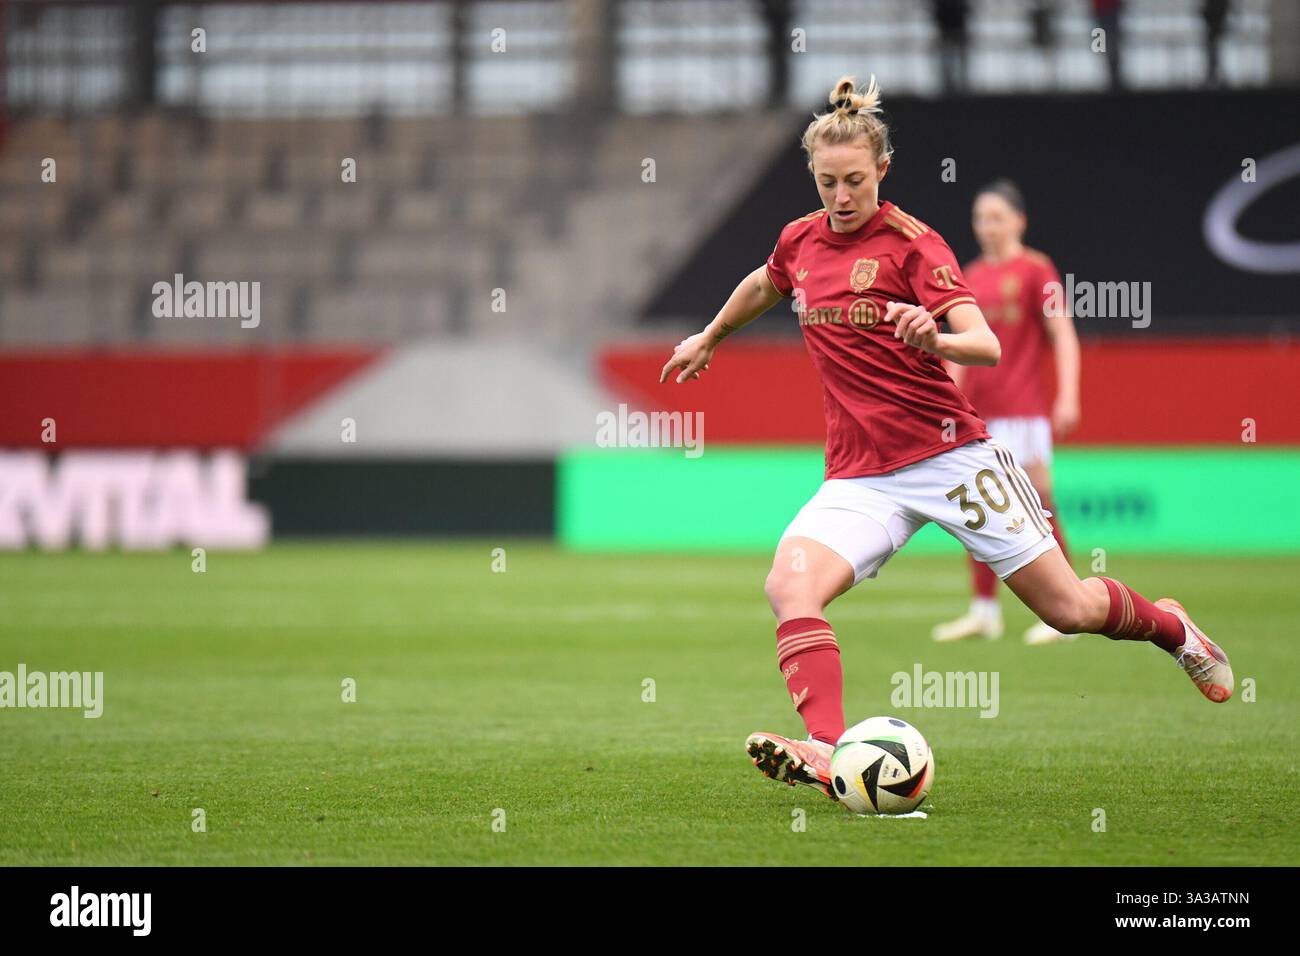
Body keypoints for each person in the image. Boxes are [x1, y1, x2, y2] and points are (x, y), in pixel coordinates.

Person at [658, 76, 1233, 802]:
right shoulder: (798, 240)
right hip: (861, 475)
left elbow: (984, 343)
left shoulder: (912, 245)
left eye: (856, 182)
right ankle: (830, 749)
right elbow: (767, 283)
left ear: (882, 172)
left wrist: (937, 335)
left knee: (1070, 610)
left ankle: (1173, 629)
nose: (841, 196)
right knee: (789, 586)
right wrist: (711, 335)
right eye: (829, 182)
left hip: (950, 458)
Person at [931, 179, 1080, 646]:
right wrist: (948, 400)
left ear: (1019, 220)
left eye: (997, 217)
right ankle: (984, 610)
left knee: (1040, 502)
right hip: (979, 414)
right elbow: (957, 350)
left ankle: (1072, 604)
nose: (987, 227)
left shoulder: (1038, 270)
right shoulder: (968, 276)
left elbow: (1063, 335)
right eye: (980, 218)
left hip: (1024, 411)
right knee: (976, 508)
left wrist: (1068, 395)